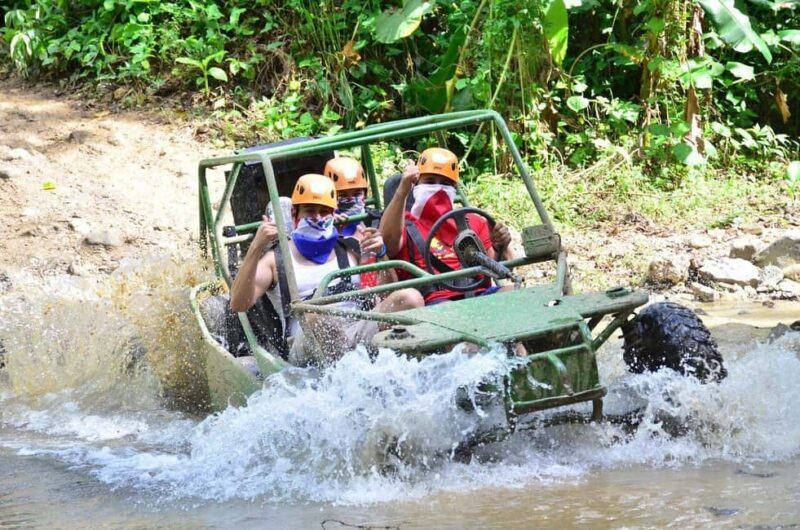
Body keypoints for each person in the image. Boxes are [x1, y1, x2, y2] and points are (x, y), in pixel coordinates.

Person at [230, 173, 423, 366]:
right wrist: (256, 245)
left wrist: (381, 253)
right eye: (310, 211)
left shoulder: (350, 246)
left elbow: (387, 291)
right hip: (306, 340)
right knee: (321, 318)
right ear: (294, 215)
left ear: (333, 214)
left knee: (410, 298)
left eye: (324, 212)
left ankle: (410, 368)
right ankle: (349, 382)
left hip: (355, 328)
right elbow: (238, 303)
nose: (318, 218)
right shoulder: (276, 259)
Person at [379, 147, 515, 305]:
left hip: (480, 295)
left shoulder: (473, 221)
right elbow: (387, 243)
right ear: (416, 185)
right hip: (435, 301)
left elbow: (501, 269)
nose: (438, 188)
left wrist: (502, 245)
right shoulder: (405, 225)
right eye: (430, 182)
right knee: (448, 311)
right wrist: (402, 190)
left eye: (445, 183)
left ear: (454, 189)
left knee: (516, 292)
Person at [323, 156, 372, 236]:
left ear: (364, 195)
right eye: (343, 195)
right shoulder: (326, 223)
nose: (350, 199)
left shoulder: (373, 218)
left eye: (356, 194)